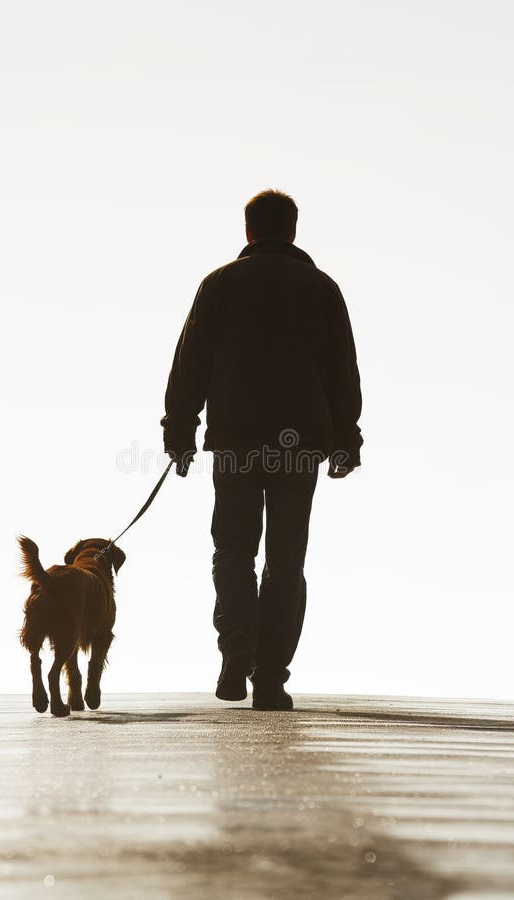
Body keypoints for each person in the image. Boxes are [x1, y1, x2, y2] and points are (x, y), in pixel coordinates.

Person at [161, 189, 363, 710]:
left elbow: (190, 363)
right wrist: (347, 440)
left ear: (248, 231)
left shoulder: (219, 285)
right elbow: (343, 372)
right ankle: (270, 676)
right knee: (285, 560)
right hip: (300, 447)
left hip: (235, 441)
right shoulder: (322, 289)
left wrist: (179, 430)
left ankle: (236, 648)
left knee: (233, 550)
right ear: (293, 231)